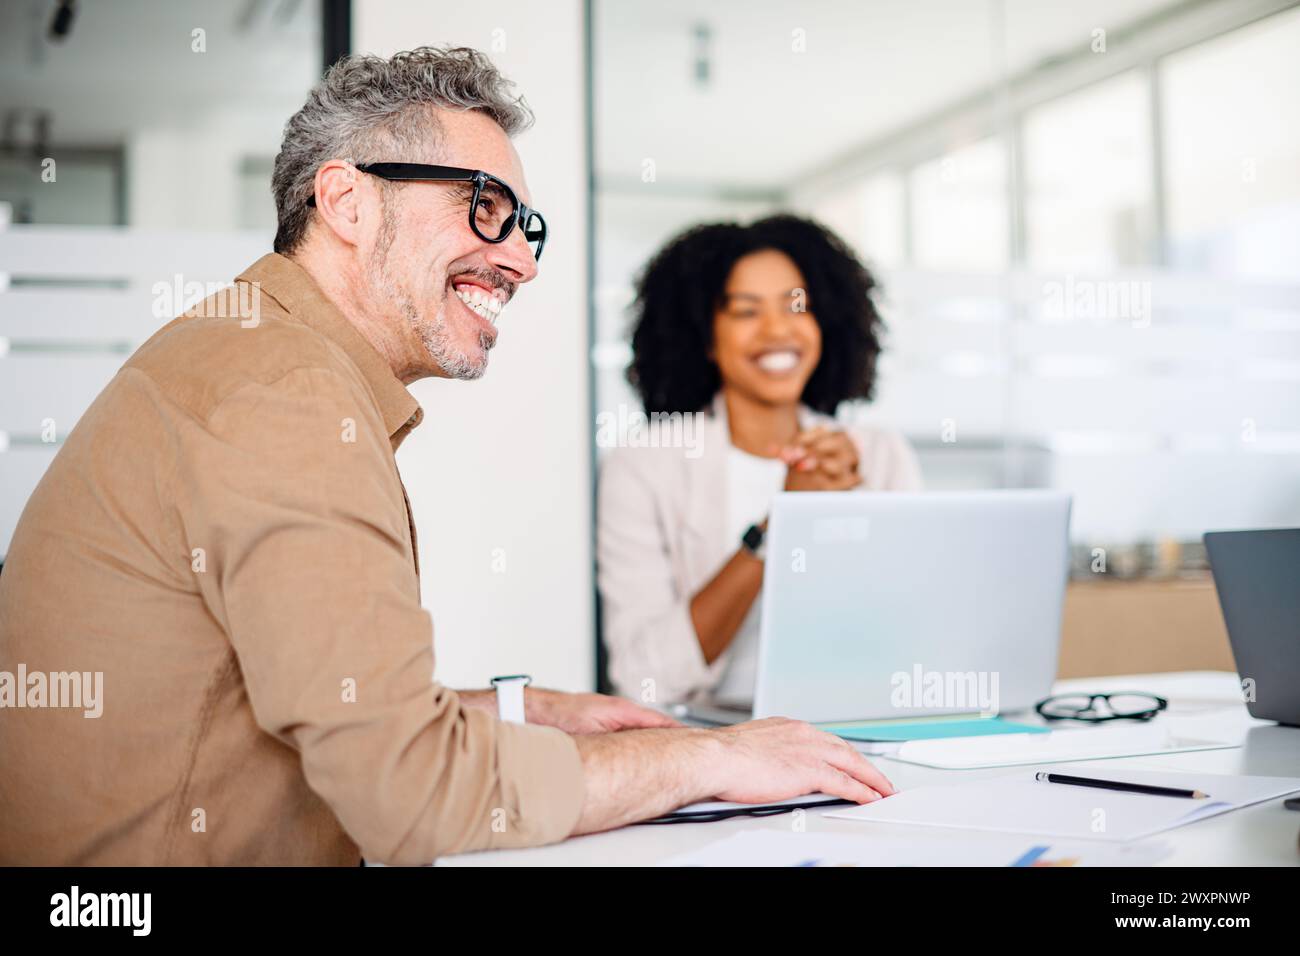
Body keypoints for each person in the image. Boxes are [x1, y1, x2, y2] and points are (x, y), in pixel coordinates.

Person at [0, 47, 893, 866]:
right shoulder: (283, 398)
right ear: (347, 201)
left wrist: (523, 712)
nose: (522, 262)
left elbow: (294, 707)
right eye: (485, 208)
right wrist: (707, 758)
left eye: (523, 226)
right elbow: (409, 793)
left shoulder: (261, 361)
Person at [599, 216, 922, 706]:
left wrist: (851, 512)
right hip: (711, 743)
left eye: (797, 306)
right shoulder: (644, 465)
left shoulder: (878, 455)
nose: (777, 330)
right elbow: (644, 679)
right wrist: (779, 525)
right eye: (746, 311)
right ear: (705, 337)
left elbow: (914, 638)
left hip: (856, 729)